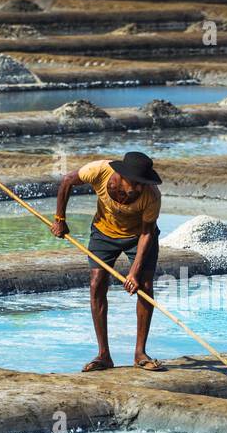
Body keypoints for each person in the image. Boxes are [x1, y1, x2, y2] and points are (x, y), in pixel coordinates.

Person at [50, 151, 164, 372]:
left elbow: (147, 233)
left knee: (145, 286)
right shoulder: (99, 171)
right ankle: (104, 355)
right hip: (104, 233)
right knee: (97, 284)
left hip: (138, 236)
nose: (139, 188)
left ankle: (140, 353)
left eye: (142, 183)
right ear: (121, 176)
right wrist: (60, 220)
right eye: (136, 183)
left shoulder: (152, 195)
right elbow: (67, 181)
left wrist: (134, 272)